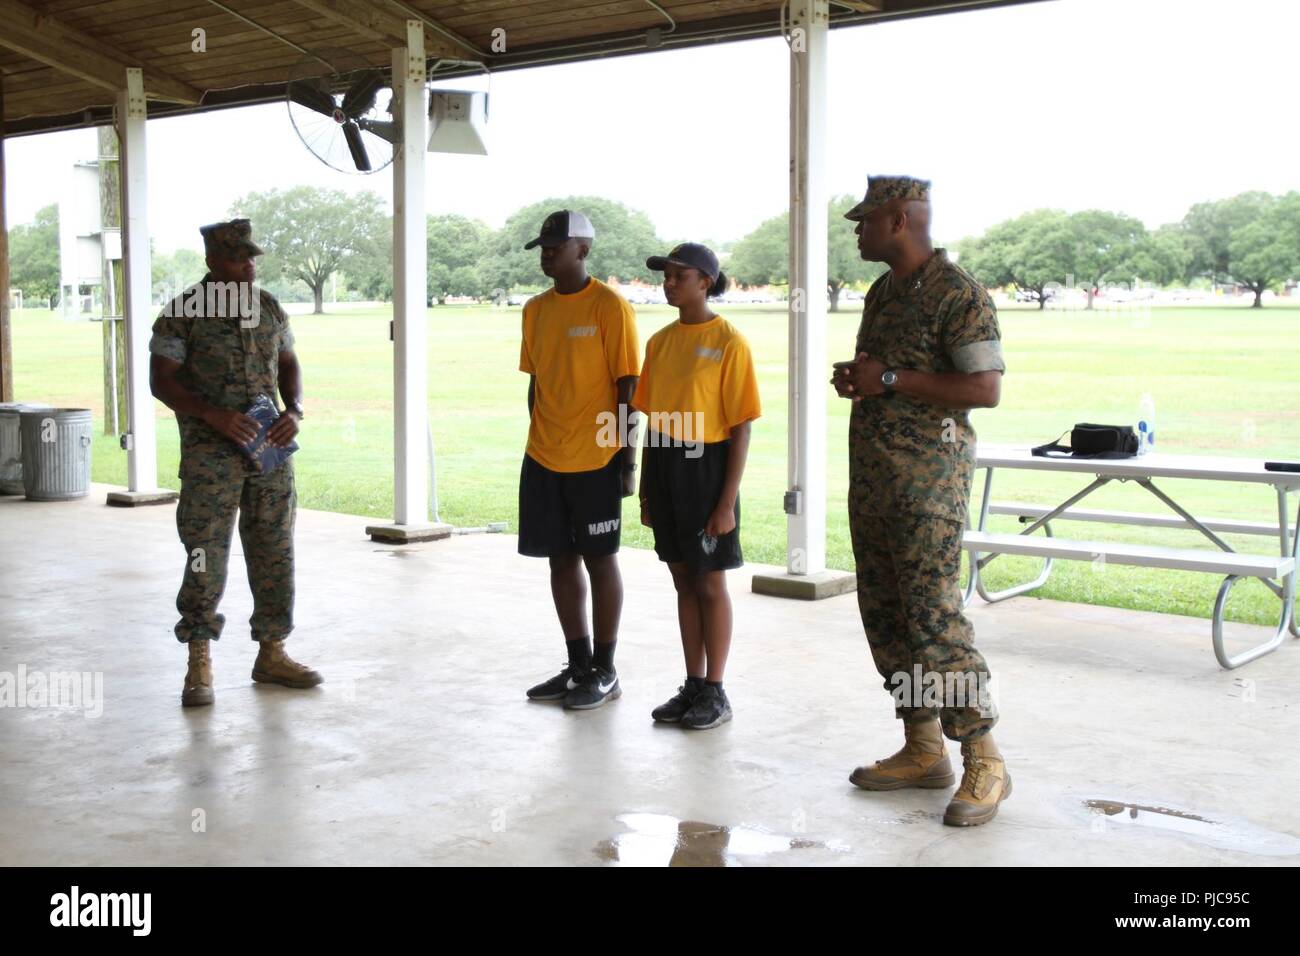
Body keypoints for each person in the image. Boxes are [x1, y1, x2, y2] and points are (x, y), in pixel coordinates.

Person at [831, 176, 1009, 826]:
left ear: (900, 219)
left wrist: (891, 378)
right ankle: (922, 746)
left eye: (866, 221)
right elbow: (888, 381)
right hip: (875, 482)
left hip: (928, 485)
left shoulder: (957, 294)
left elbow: (985, 388)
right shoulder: (882, 292)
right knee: (888, 615)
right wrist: (865, 381)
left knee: (934, 619)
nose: (858, 231)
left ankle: (984, 758)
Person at [149, 218, 321, 708]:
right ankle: (198, 657)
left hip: (267, 452)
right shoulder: (183, 312)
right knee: (204, 551)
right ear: (212, 261)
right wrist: (213, 414)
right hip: (211, 457)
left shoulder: (267, 306)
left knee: (275, 546)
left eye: (250, 257)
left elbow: (288, 364)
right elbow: (162, 380)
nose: (248, 264)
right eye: (237, 257)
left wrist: (295, 410)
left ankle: (273, 651)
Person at [634, 243, 761, 730]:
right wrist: (647, 488)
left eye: (678, 276)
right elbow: (652, 421)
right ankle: (692, 684)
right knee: (682, 578)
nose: (668, 283)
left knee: (710, 581)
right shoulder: (661, 342)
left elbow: (741, 427)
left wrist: (726, 502)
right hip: (666, 464)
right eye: (665, 276)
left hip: (708, 469)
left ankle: (716, 689)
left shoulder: (729, 341)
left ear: (705, 282)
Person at [518, 210, 640, 710]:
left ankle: (606, 670)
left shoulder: (610, 307)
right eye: (543, 246)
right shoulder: (535, 309)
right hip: (544, 456)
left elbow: (627, 386)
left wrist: (627, 461)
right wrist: (538, 436)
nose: (547, 252)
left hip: (597, 458)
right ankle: (578, 665)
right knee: (559, 558)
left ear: (583, 250)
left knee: (600, 558)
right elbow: (536, 382)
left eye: (557, 245)